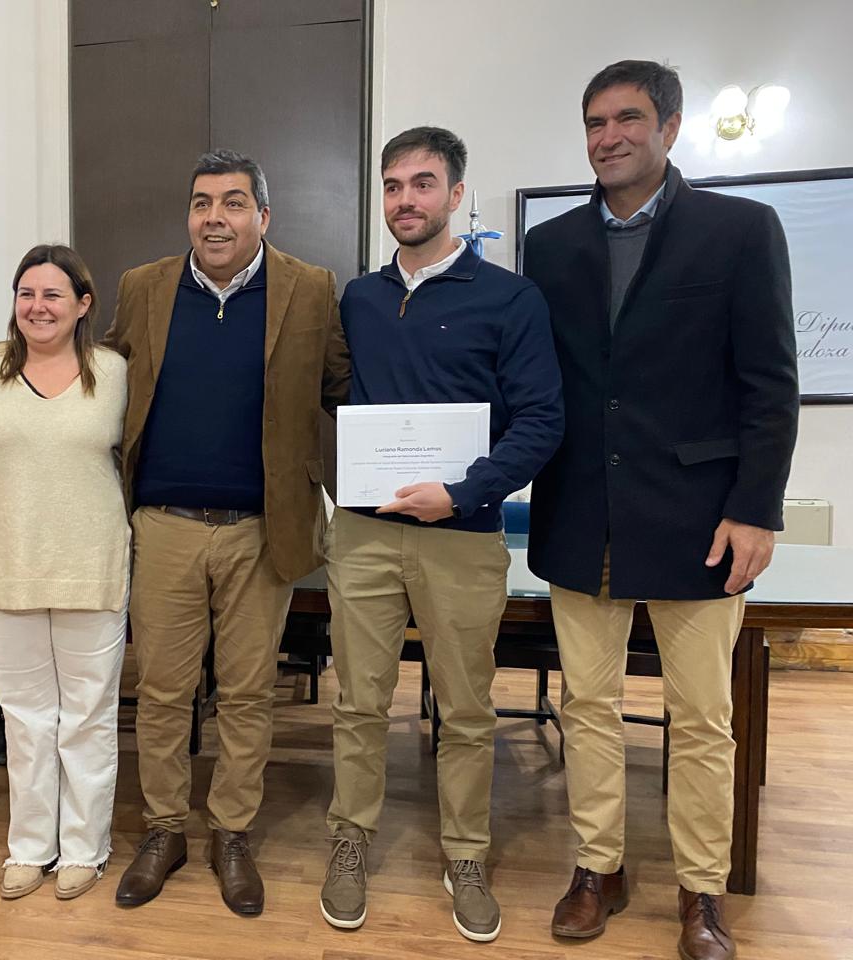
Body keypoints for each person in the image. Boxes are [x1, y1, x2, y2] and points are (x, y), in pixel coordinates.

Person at [523, 60, 799, 960]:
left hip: (701, 519)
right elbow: (545, 386)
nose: (608, 137)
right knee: (589, 705)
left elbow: (770, 386)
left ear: (670, 128)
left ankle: (701, 891)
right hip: (581, 516)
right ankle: (597, 867)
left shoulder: (741, 230)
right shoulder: (553, 245)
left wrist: (756, 509)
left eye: (628, 119)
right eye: (595, 121)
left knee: (702, 718)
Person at [319, 127, 563, 940]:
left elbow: (540, 420)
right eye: (393, 186)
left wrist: (463, 491)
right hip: (361, 534)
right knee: (357, 701)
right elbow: (338, 398)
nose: (406, 201)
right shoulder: (357, 296)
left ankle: (466, 854)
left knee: (464, 709)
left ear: (457, 194)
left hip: (462, 536)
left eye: (423, 184)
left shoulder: (510, 299)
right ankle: (349, 839)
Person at [107, 149, 348, 917]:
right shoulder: (143, 287)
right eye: (203, 203)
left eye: (234, 203)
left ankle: (232, 832)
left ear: (263, 217)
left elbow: (347, 387)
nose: (216, 217)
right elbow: (103, 386)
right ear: (189, 215)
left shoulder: (308, 288)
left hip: (261, 530)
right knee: (163, 692)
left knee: (248, 694)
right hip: (164, 524)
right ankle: (166, 828)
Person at [0, 244, 130, 903]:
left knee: (88, 718)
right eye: (26, 293)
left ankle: (84, 849)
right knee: (25, 716)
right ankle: (29, 848)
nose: (37, 306)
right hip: (7, 572)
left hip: (93, 569)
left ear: (83, 304)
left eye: (52, 295)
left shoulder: (114, 372)